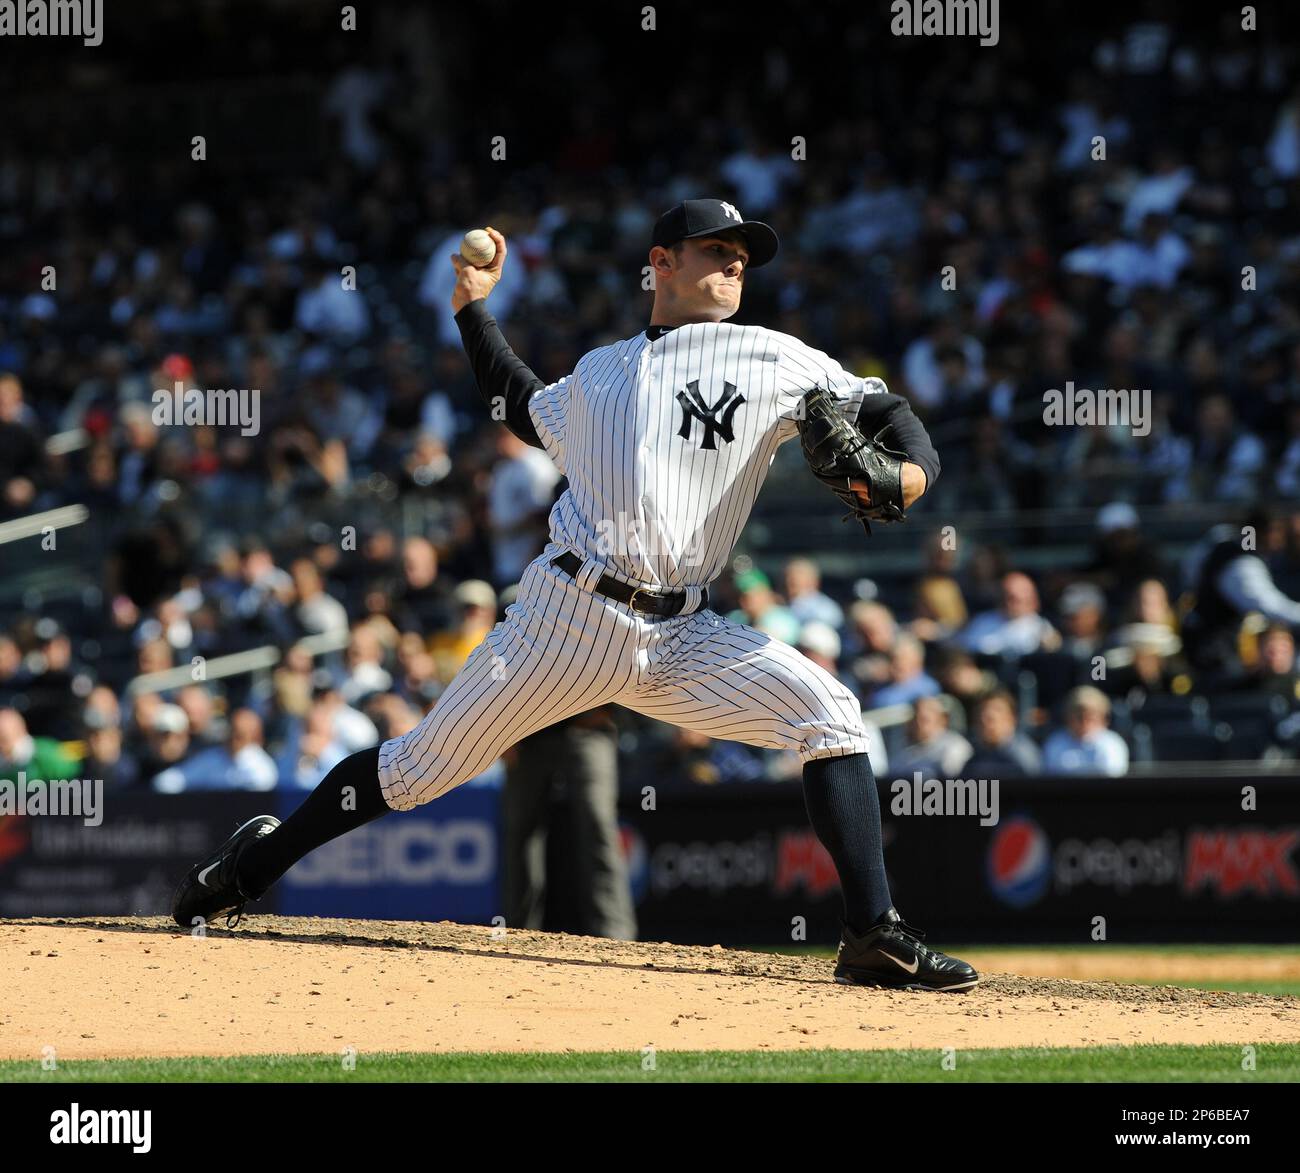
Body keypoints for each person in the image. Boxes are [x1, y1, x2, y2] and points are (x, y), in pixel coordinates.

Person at [172, 200, 977, 992]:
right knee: (418, 770)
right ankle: (254, 864)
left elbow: (888, 409)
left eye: (744, 253)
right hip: (569, 617)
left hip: (685, 631)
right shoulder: (601, 371)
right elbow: (520, 403)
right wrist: (471, 311)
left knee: (831, 713)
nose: (736, 262)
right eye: (714, 248)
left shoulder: (777, 358)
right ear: (660, 263)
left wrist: (909, 473)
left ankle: (871, 934)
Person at [1041, 686, 1130, 777]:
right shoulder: (1055, 743)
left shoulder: (1113, 744)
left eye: (1091, 717)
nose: (1085, 722)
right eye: (1079, 717)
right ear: (1068, 718)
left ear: (1103, 718)